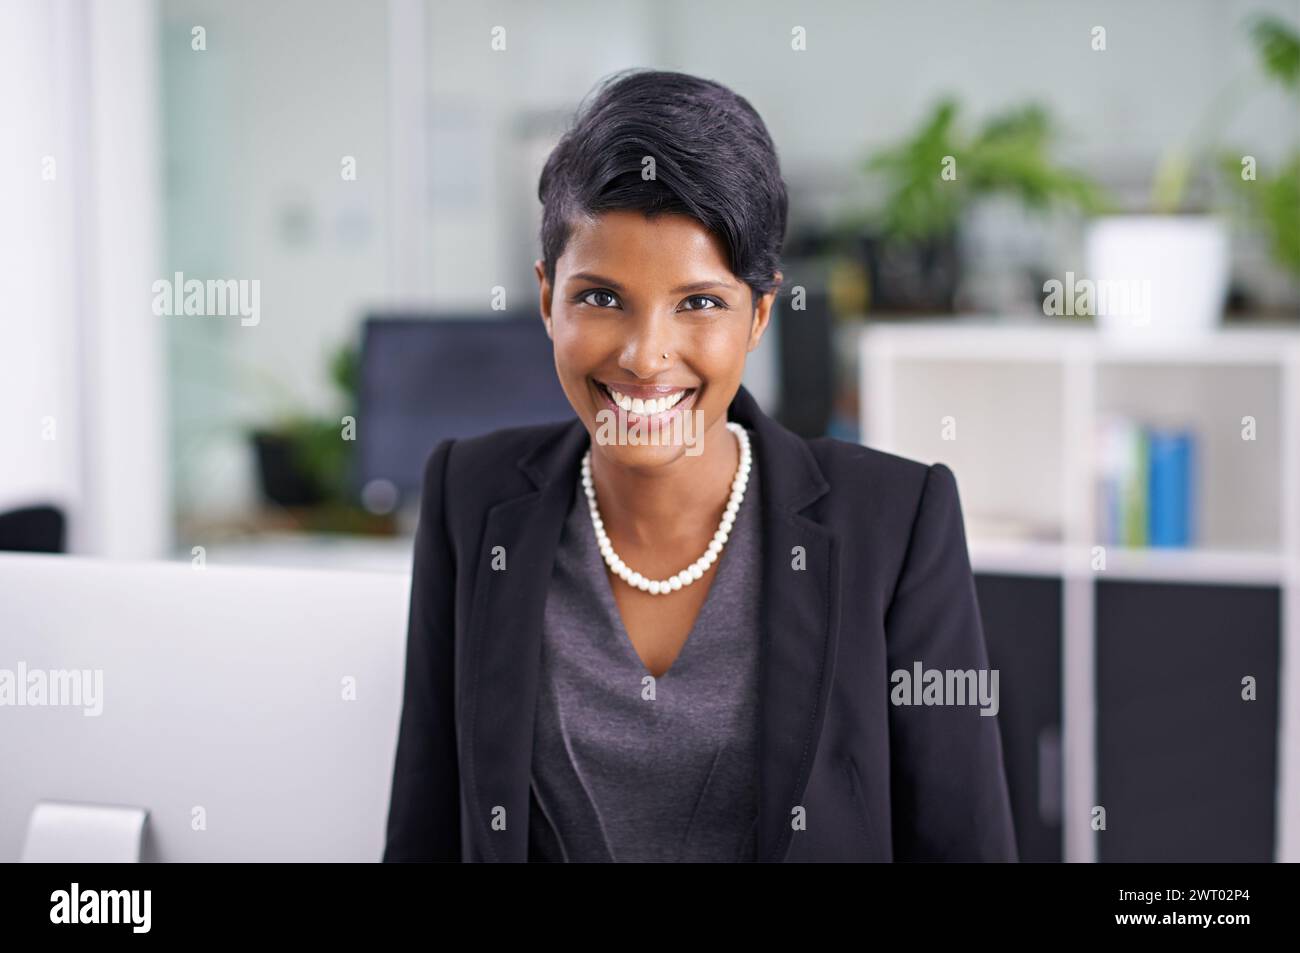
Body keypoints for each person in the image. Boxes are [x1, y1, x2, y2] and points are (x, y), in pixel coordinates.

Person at [383, 68, 1017, 862]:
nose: (646, 356)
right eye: (601, 298)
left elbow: (963, 844)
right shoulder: (469, 499)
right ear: (546, 299)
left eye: (699, 303)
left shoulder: (894, 521)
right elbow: (425, 831)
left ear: (759, 314)